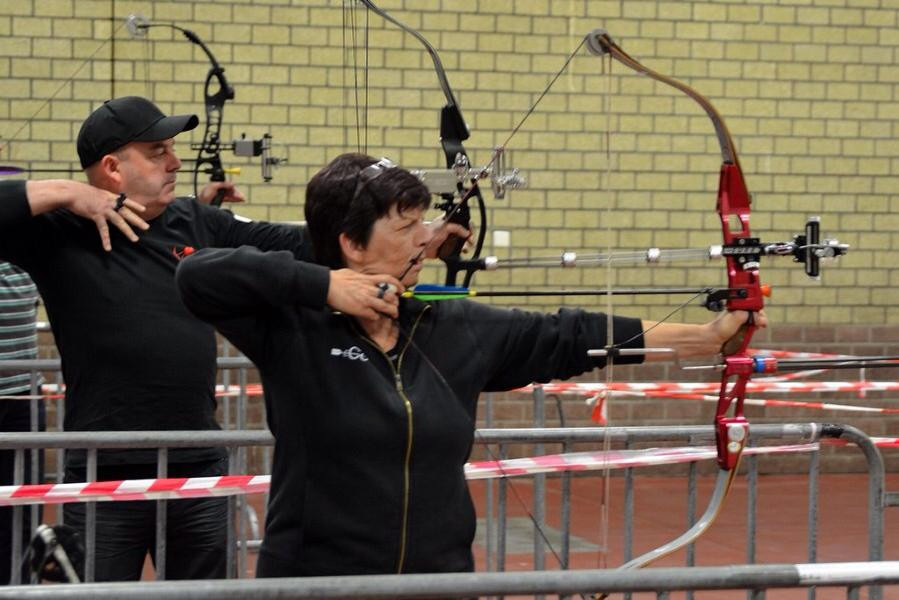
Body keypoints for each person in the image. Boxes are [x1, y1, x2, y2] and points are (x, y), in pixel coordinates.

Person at [175, 152, 766, 577]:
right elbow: (199, 276)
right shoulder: (293, 327)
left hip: (441, 581)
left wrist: (707, 336)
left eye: (423, 224)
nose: (424, 240)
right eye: (406, 227)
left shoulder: (451, 327)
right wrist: (325, 285)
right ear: (353, 244)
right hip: (317, 583)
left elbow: (571, 335)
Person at [0, 98, 465, 581]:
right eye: (157, 151)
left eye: (172, 149)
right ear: (112, 167)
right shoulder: (57, 230)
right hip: (102, 468)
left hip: (198, 463)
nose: (175, 162)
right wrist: (67, 193)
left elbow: (305, 244)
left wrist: (413, 235)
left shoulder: (195, 221)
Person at [0, 262, 44, 584]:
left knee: (22, 510)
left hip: (21, 400)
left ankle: (17, 589)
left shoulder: (25, 235)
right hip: (22, 397)